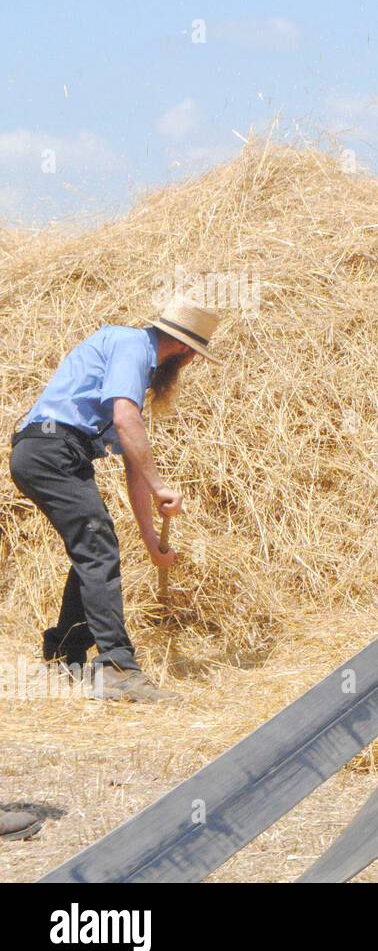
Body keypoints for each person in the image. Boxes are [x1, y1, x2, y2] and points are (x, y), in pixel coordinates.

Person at [8, 300, 222, 702]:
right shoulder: (132, 346)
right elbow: (126, 419)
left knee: (95, 546)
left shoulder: (129, 362)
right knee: (97, 548)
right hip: (52, 451)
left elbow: (133, 468)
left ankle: (64, 657)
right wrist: (162, 487)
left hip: (48, 453)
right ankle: (117, 668)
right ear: (186, 352)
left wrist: (151, 541)